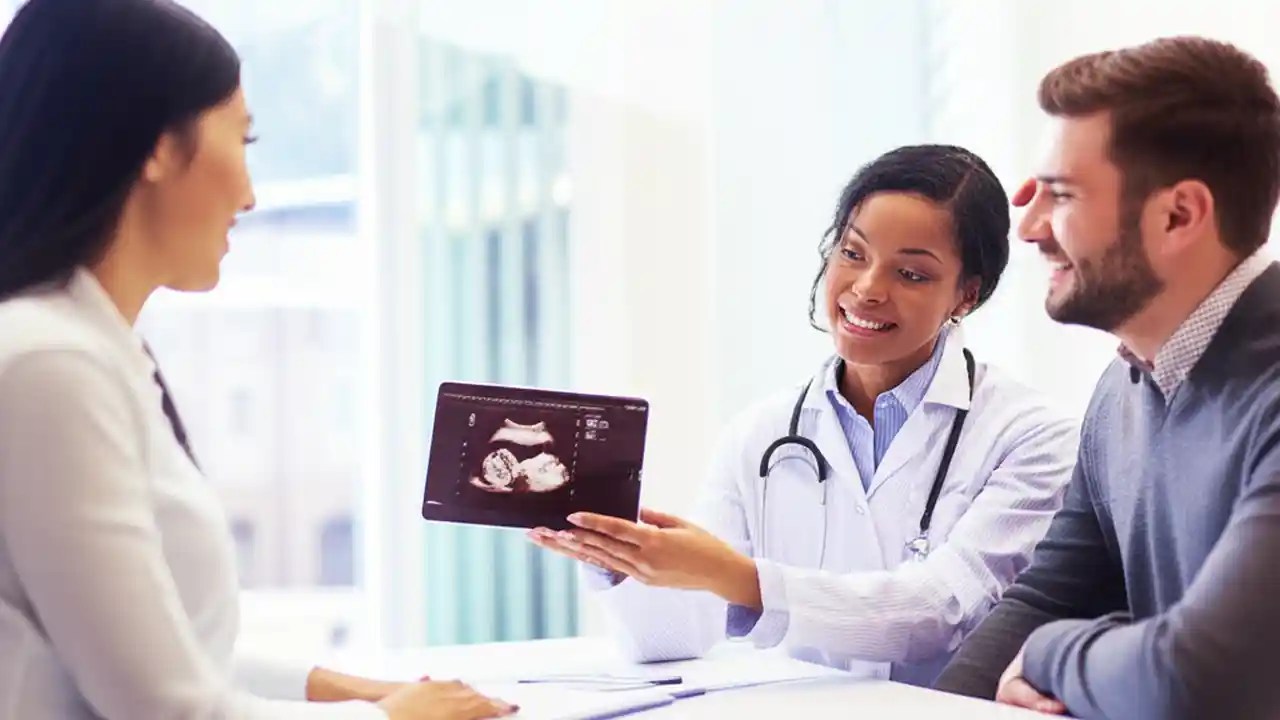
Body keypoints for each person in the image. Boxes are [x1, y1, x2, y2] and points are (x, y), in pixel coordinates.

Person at [0, 2, 515, 719]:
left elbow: (166, 650)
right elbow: (166, 707)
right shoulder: (51, 364)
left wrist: (353, 689)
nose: (249, 194)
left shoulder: (93, 351)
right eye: (242, 140)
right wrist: (391, 719)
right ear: (155, 146)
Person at [528, 144, 1080, 687]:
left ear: (967, 294)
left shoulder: (1032, 438)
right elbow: (683, 637)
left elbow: (938, 610)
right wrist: (617, 556)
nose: (866, 290)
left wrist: (736, 576)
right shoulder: (761, 434)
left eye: (911, 274)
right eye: (853, 253)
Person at [932, 36, 1280, 720]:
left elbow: (1204, 679)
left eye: (1059, 195)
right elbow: (1045, 599)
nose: (1027, 227)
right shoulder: (1122, 390)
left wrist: (1054, 653)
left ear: (1178, 215)